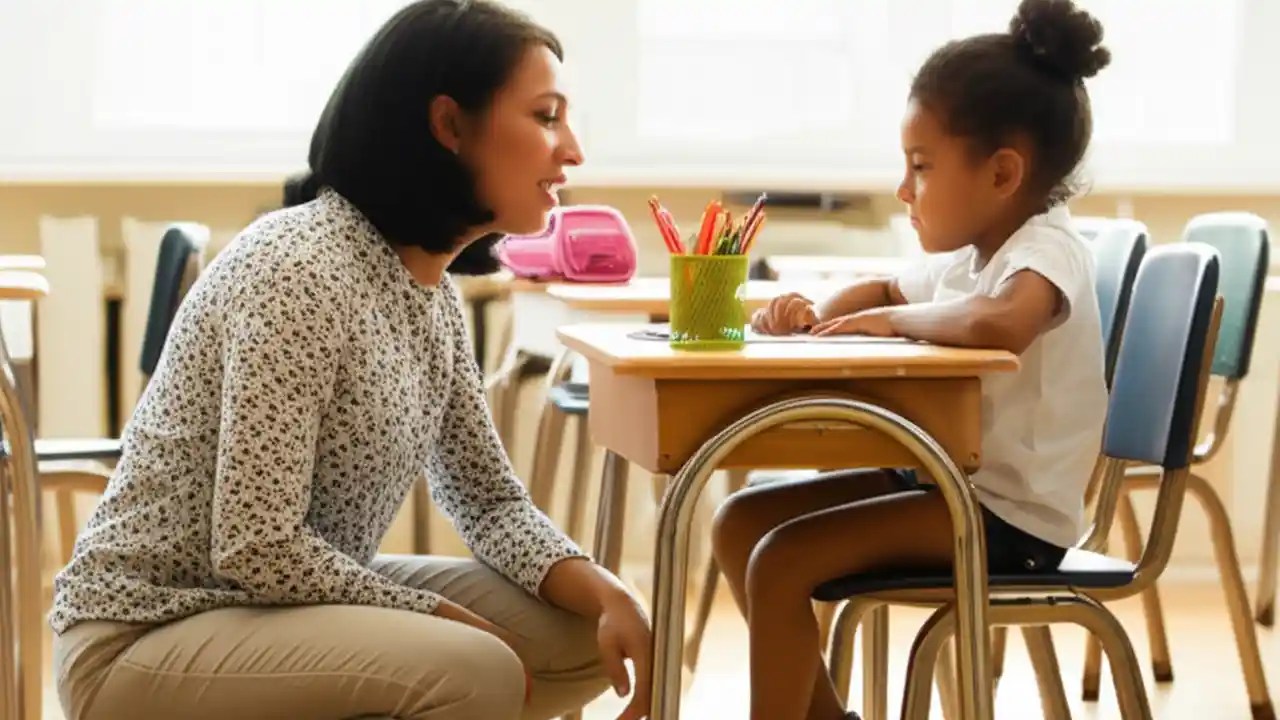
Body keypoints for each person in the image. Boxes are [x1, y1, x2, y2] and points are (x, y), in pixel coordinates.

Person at [50, 2, 652, 719]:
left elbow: (489, 503)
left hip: (273, 612)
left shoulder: (429, 294)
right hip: (144, 636)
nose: (573, 151)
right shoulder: (299, 268)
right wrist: (431, 615)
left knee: (581, 636)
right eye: (546, 117)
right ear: (450, 126)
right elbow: (257, 546)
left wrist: (609, 592)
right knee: (474, 668)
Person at [714, 1, 1112, 718]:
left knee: (780, 559)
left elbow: (1002, 323)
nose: (904, 190)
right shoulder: (973, 255)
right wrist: (815, 315)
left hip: (1011, 519)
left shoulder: (1048, 249)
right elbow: (883, 287)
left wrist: (890, 320)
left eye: (921, 167)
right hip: (943, 485)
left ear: (1002, 173)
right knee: (738, 523)